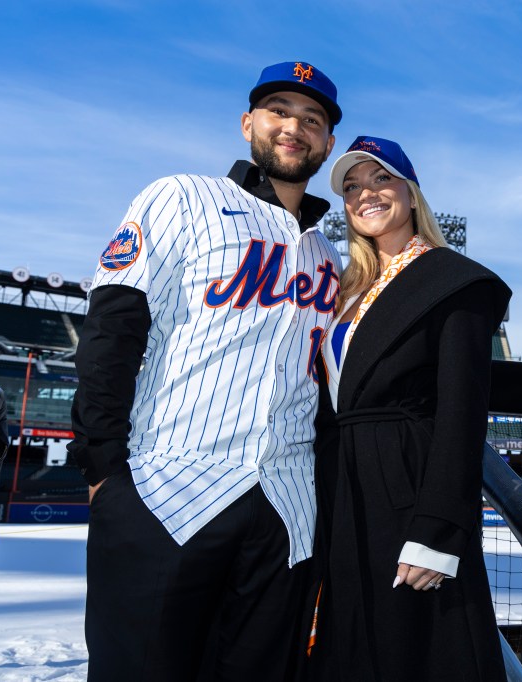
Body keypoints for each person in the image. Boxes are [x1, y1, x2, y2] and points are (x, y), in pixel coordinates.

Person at [68, 60, 342, 681]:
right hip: (167, 488)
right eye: (279, 111)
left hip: (288, 511)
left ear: (327, 144)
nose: (293, 127)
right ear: (249, 123)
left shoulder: (329, 253)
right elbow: (113, 325)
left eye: (312, 120)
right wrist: (103, 467)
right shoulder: (181, 196)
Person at [311, 136, 510, 681]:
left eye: (381, 179)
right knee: (351, 644)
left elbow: (463, 414)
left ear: (411, 192)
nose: (365, 193)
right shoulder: (347, 288)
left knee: (417, 647)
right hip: (341, 487)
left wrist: (438, 531)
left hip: (406, 486)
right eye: (351, 186)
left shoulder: (452, 280)